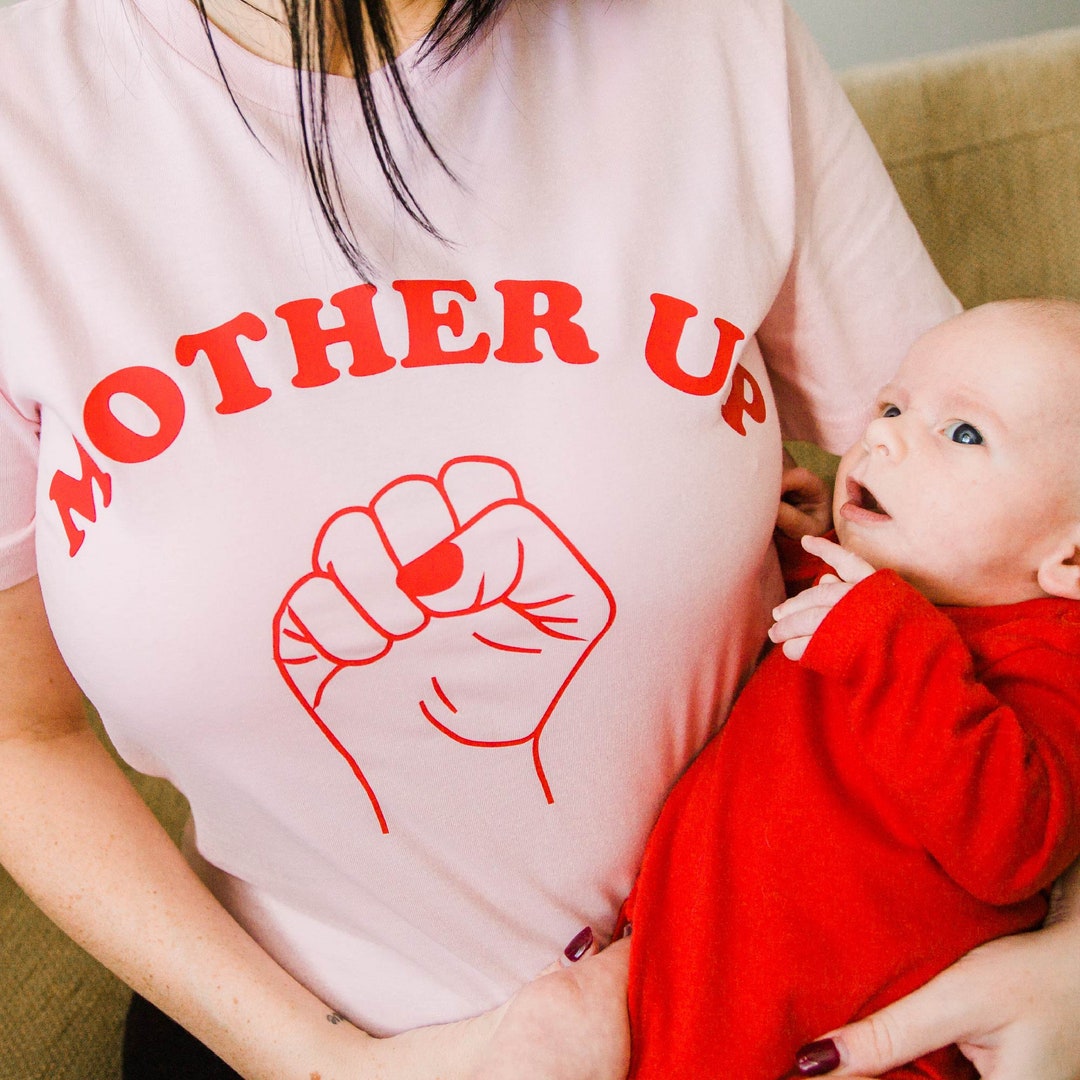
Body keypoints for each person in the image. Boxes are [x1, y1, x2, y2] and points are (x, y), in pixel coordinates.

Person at [0, 0, 1078, 1075]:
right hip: (305, 1040)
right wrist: (321, 1061)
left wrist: (1071, 950)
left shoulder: (705, 32)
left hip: (784, 1023)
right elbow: (19, 736)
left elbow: (1009, 533)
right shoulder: (33, 110)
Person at [622, 299, 1080, 1080]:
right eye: (893, 405)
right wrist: (800, 552)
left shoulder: (1050, 651)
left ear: (1070, 560)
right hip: (680, 1009)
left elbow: (1016, 842)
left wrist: (885, 639)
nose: (881, 435)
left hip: (848, 1050)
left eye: (963, 432)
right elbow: (825, 674)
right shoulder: (887, 597)